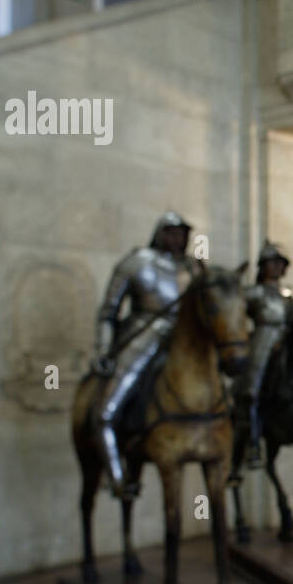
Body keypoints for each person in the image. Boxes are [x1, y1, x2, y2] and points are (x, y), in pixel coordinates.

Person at [90, 211, 198, 500]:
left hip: (185, 339)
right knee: (105, 412)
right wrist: (102, 348)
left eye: (183, 234)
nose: (178, 239)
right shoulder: (136, 262)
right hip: (145, 333)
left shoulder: (195, 269)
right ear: (160, 233)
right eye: (173, 232)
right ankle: (116, 476)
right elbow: (108, 312)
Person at [231, 241, 293, 481]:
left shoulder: (288, 296)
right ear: (263, 267)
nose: (276, 268)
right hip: (261, 341)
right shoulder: (253, 293)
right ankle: (253, 443)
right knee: (253, 391)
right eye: (272, 263)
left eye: (280, 264)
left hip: (285, 342)